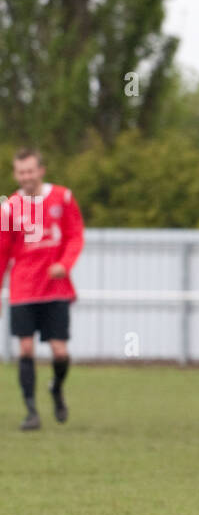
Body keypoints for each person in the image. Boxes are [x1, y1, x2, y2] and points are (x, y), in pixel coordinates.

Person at [0, 148, 85, 430]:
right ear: (16, 174)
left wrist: (66, 263)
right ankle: (31, 411)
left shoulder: (63, 197)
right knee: (25, 349)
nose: (26, 176)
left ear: (41, 170)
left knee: (60, 352)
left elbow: (75, 236)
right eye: (20, 172)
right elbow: (2, 251)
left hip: (55, 287)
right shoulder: (10, 206)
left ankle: (56, 389)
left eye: (30, 170)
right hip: (23, 288)